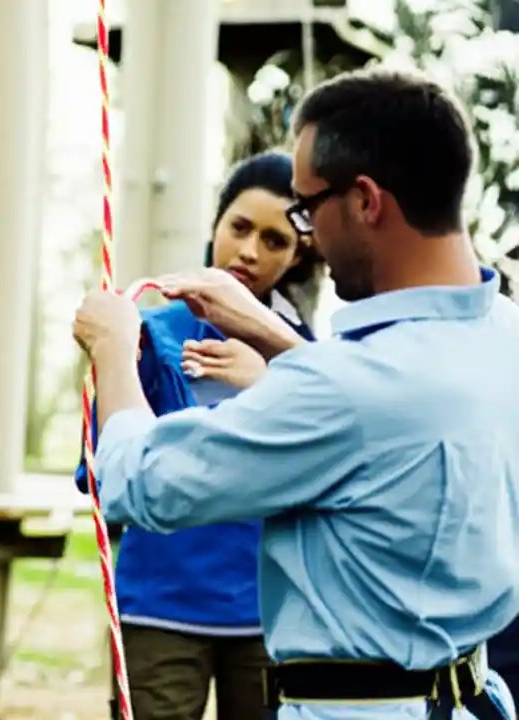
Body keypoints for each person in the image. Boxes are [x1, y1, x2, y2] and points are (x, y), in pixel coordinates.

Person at [73, 68, 519, 719]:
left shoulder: (349, 386)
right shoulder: (501, 335)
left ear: (366, 201)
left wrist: (113, 346)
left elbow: (141, 483)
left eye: (306, 211)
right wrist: (266, 329)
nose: (310, 239)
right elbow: (390, 409)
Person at [76, 151, 321, 720]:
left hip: (269, 613)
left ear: (298, 253)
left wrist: (270, 382)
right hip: (159, 610)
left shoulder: (309, 356)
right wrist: (117, 360)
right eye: (239, 227)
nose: (251, 251)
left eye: (275, 240)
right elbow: (102, 471)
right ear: (214, 223)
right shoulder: (147, 334)